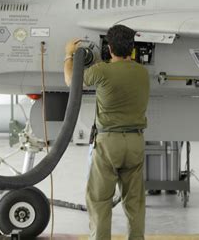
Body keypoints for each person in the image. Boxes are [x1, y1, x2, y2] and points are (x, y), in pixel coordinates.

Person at [64, 25, 150, 240]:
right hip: (136, 142)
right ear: (132, 49)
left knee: (100, 201)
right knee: (135, 203)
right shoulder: (142, 72)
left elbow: (70, 82)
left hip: (108, 143)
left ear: (109, 48)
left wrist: (69, 55)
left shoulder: (101, 70)